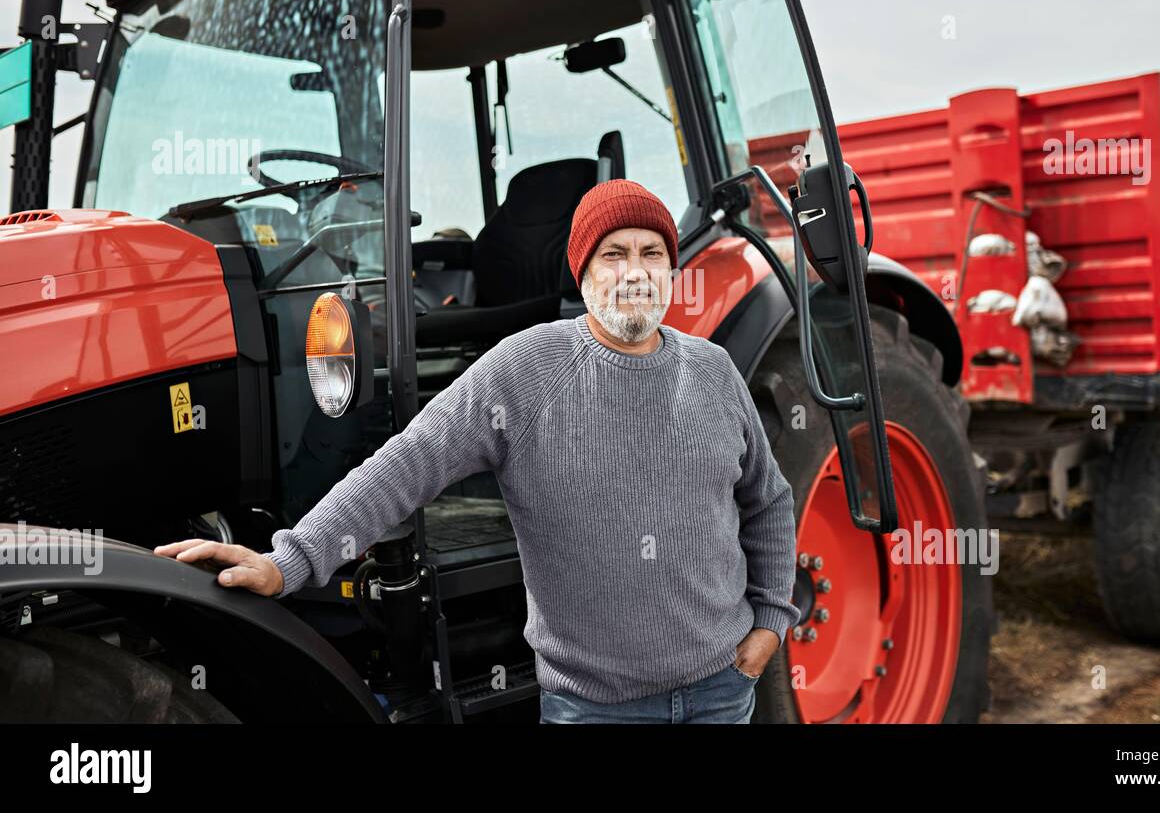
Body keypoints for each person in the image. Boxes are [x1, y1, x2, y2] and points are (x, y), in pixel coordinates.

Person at [155, 179, 800, 723]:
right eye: (614, 254)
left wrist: (770, 619)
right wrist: (290, 560)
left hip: (721, 693)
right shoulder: (526, 371)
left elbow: (768, 501)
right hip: (600, 710)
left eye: (651, 253)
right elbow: (408, 461)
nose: (635, 272)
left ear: (669, 268)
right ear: (584, 270)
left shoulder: (714, 373)